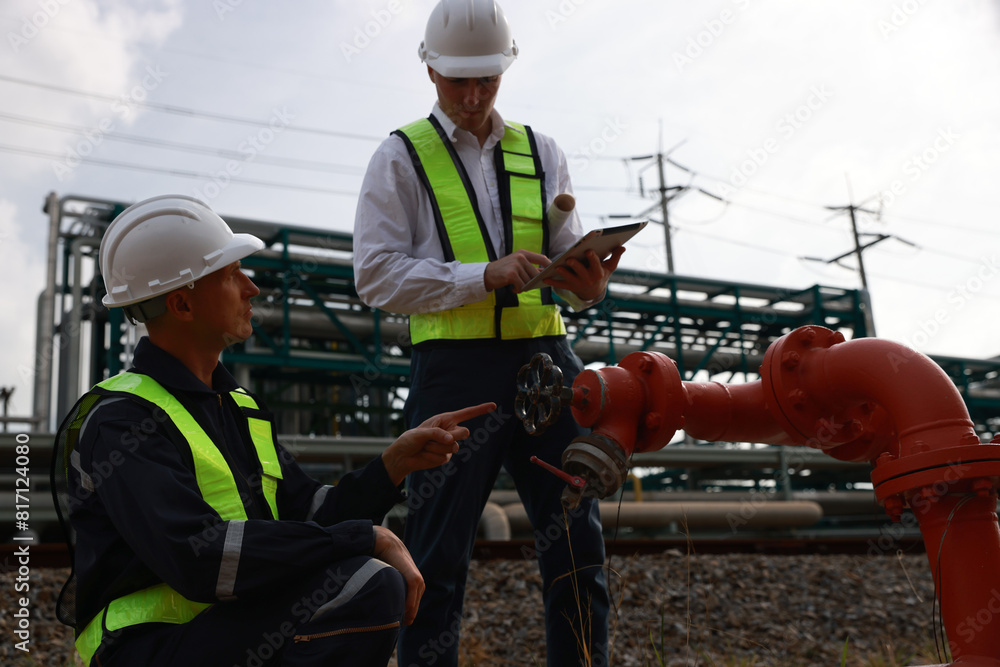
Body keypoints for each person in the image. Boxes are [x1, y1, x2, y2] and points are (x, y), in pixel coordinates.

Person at [53, 194, 494, 667]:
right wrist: (366, 538)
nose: (252, 288)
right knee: (365, 583)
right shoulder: (122, 419)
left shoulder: (237, 408)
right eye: (231, 274)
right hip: (146, 648)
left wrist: (392, 466)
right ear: (182, 304)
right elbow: (200, 558)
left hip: (227, 628)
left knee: (361, 581)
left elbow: (306, 512)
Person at [352, 1, 624, 664]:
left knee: (576, 548)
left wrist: (590, 287)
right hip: (455, 373)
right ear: (429, 68)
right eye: (457, 81)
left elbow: (570, 260)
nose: (473, 96)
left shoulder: (544, 152)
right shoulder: (400, 158)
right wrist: (484, 276)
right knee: (436, 556)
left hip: (547, 364)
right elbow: (375, 276)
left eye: (487, 81)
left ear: (505, 70)